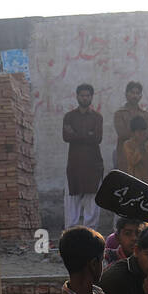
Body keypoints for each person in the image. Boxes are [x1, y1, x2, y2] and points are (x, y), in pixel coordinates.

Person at [63, 83, 104, 228]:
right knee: (71, 203)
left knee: (92, 203)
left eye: (87, 96)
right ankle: (70, 236)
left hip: (93, 165)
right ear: (77, 97)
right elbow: (66, 136)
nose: (85, 98)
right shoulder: (69, 116)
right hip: (74, 165)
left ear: (91, 97)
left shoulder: (97, 117)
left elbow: (97, 138)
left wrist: (76, 134)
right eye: (82, 95)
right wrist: (88, 134)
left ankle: (91, 235)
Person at [113, 80, 148, 170]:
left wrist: (139, 136)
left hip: (142, 155)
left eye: (137, 93)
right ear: (126, 94)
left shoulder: (145, 114)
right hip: (124, 155)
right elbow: (122, 134)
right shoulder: (119, 113)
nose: (135, 96)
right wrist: (140, 134)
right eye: (132, 93)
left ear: (141, 96)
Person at [121, 115, 148, 183]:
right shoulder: (128, 144)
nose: (142, 133)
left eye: (144, 131)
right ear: (133, 133)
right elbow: (132, 161)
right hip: (133, 181)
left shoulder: (147, 146)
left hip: (146, 181)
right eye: (139, 132)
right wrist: (139, 145)